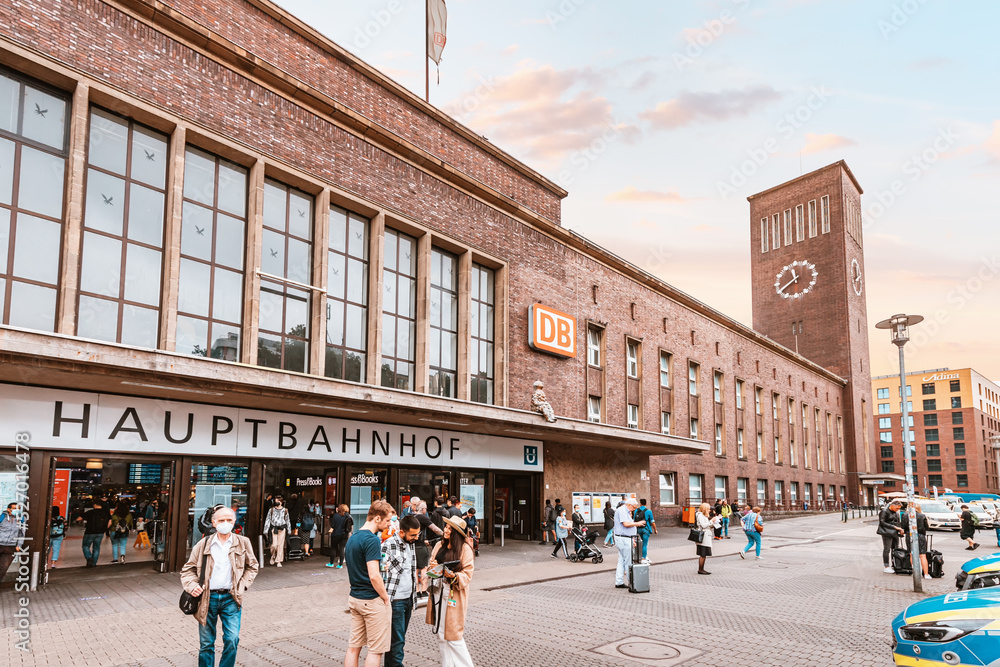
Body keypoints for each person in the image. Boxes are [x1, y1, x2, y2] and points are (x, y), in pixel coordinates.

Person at [180, 506, 259, 667]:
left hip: (231, 598)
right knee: (206, 643)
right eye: (221, 520)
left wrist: (242, 586)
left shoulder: (243, 543)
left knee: (232, 639)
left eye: (229, 520)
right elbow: (187, 569)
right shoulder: (203, 544)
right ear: (214, 523)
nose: (225, 523)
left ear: (234, 522)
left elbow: (253, 566)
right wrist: (192, 585)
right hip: (207, 598)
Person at [344, 499, 394, 667]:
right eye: (387, 521)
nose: (389, 525)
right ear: (377, 518)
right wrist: (385, 597)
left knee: (353, 647)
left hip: (355, 598)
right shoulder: (372, 540)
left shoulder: (354, 537)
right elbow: (373, 576)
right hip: (371, 600)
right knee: (375, 650)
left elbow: (359, 566)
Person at [426, 515, 476, 666]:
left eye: (449, 528)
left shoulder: (464, 549)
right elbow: (431, 566)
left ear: (456, 533)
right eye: (446, 527)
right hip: (437, 591)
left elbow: (467, 575)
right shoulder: (439, 545)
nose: (446, 530)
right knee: (441, 634)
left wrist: (452, 575)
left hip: (453, 593)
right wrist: (433, 568)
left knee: (453, 636)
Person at [381, 514, 421, 667]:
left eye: (418, 534)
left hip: (408, 598)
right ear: (402, 532)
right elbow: (381, 574)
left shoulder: (410, 543)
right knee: (398, 640)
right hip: (395, 600)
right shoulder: (388, 545)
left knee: (396, 640)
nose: (416, 538)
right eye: (413, 534)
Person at [411, 498, 443, 599]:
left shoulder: (413, 517)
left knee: (415, 570)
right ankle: (423, 591)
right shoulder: (423, 517)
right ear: (423, 509)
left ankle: (415, 591)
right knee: (423, 569)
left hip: (412, 546)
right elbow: (435, 529)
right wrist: (444, 533)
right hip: (420, 547)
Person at [613, 497, 645, 589]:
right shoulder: (622, 510)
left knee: (621, 560)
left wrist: (633, 540)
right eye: (634, 507)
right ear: (629, 505)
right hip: (623, 539)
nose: (634, 509)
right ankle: (631, 582)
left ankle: (619, 581)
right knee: (628, 561)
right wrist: (637, 523)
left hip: (624, 538)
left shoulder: (625, 511)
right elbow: (626, 524)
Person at [901, 502, 932, 580]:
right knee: (922, 555)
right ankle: (926, 574)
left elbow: (903, 526)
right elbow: (927, 527)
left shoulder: (905, 515)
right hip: (920, 535)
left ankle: (915, 572)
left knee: (912, 554)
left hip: (909, 535)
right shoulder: (922, 516)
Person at [82, 499, 111, 568]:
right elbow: (110, 522)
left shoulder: (90, 512)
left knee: (85, 546)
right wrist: (105, 529)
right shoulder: (106, 513)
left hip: (89, 532)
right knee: (96, 548)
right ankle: (94, 563)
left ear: (94, 505)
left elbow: (79, 518)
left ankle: (89, 557)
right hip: (100, 532)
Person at [877, 500, 905, 571]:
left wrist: (900, 530)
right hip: (887, 532)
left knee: (895, 548)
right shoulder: (884, 512)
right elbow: (882, 522)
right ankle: (886, 566)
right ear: (892, 505)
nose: (897, 510)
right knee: (887, 549)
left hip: (894, 532)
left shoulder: (896, 513)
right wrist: (894, 527)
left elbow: (898, 522)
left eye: (898, 508)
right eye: (897, 508)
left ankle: (895, 564)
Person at [0, 502, 25, 579]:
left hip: (11, 547)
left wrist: (19, 545)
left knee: (3, 567)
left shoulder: (21, 519)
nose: (17, 510)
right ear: (8, 509)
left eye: (19, 508)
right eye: (14, 508)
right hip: (0, 543)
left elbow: (22, 533)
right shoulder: (2, 517)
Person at [263, 496, 290, 567]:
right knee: (274, 545)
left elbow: (287, 520)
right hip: (273, 528)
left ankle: (278, 561)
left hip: (282, 529)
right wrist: (265, 529)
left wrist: (289, 530)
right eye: (275, 501)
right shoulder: (271, 510)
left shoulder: (285, 510)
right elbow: (268, 519)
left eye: (277, 501)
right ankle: (273, 555)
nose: (276, 502)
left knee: (280, 545)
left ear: (281, 502)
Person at [326, 503, 354, 569]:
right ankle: (340, 564)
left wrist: (330, 531)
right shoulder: (348, 516)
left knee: (333, 548)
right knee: (342, 548)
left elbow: (333, 526)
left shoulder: (336, 516)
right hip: (344, 534)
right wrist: (350, 533)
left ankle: (331, 563)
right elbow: (351, 526)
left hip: (336, 534)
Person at [696, 502, 714, 575]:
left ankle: (702, 569)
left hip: (706, 536)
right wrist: (711, 521)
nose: (709, 510)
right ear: (705, 509)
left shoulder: (703, 515)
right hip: (703, 537)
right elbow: (703, 525)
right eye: (708, 509)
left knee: (704, 554)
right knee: (703, 554)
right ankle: (700, 569)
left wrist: (713, 523)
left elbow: (706, 525)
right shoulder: (700, 515)